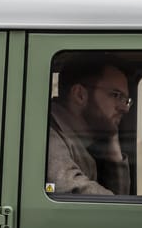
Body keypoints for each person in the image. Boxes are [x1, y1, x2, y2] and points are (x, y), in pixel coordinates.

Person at [47, 57, 133, 195]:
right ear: (80, 95)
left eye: (126, 100)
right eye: (116, 95)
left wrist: (114, 155)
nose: (125, 108)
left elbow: (116, 208)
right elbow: (67, 187)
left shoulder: (78, 137)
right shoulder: (47, 135)